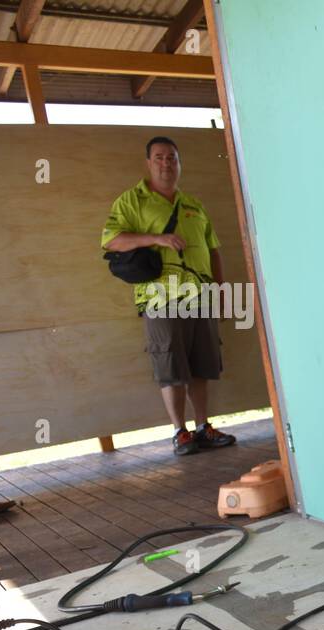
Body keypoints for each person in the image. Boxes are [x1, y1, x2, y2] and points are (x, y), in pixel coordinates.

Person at [102, 136, 236, 457]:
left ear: (179, 163)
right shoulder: (131, 201)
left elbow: (213, 249)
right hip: (160, 298)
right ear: (148, 163)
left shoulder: (193, 204)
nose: (166, 163)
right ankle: (180, 432)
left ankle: (203, 427)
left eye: (172, 158)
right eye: (159, 157)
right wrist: (156, 238)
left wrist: (220, 290)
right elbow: (111, 241)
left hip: (199, 296)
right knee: (171, 366)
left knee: (202, 365)